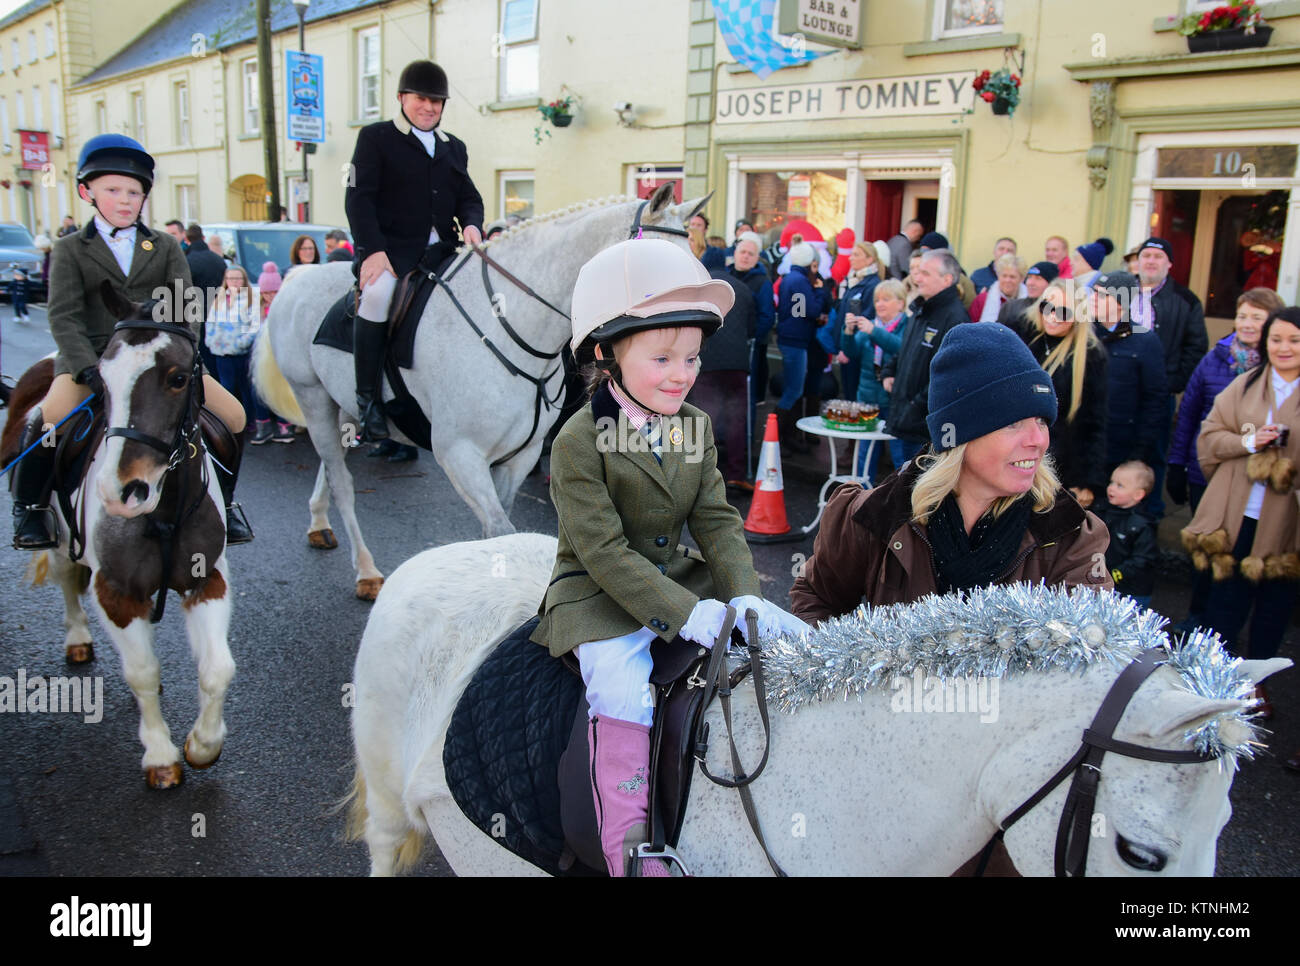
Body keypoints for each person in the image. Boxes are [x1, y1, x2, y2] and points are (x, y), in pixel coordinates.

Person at [530, 238, 806, 876]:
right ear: (606, 355)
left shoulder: (696, 426)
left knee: (772, 646)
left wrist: (741, 594)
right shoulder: (577, 441)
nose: (683, 374)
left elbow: (715, 517)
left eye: (692, 357)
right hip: (596, 592)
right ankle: (629, 845)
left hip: (676, 576)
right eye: (662, 358)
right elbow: (600, 550)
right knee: (622, 685)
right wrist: (686, 614)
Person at [11, 134, 251, 548]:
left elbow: (186, 309)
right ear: (87, 191)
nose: (125, 199)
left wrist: (179, 358)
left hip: (161, 361)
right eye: (113, 190)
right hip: (93, 360)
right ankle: (30, 510)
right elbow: (64, 315)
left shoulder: (164, 246)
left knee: (234, 417)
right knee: (46, 419)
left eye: (134, 192)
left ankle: (227, 505)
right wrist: (88, 367)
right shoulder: (70, 249)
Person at [791, 320, 1112, 619]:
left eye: (1041, 420)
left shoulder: (1069, 535)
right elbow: (816, 597)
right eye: (1013, 422)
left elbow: (1089, 654)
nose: (1038, 440)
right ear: (960, 437)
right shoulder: (876, 516)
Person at [344, 59, 484, 442]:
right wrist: (372, 250)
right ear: (402, 98)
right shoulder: (375, 138)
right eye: (422, 99)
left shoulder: (454, 148)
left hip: (444, 254)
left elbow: (469, 198)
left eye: (437, 101)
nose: (430, 107)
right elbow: (358, 198)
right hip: (391, 254)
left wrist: (472, 222)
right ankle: (368, 401)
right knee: (375, 297)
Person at [1181, 306, 1300, 718]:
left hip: (1287, 521)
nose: (1283, 348)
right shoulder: (1246, 385)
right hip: (1237, 514)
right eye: (1276, 339)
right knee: (1224, 602)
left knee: (1274, 607)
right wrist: (1251, 442)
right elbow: (1211, 435)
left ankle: (1258, 685)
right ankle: (1212, 682)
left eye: (1294, 340)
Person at [1167, 287, 1285, 631]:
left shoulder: (1278, 370)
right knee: (1205, 549)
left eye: (1257, 318)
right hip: (1205, 471)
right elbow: (1189, 414)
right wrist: (1177, 463)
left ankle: (1228, 628)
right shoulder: (1215, 358)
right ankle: (1197, 617)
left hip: (1250, 481)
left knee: (1239, 557)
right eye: (1243, 316)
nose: (1247, 324)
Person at [1008, 279, 1108, 509]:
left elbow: (1093, 422)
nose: (1053, 315)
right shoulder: (1020, 336)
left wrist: (1086, 480)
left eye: (1063, 311)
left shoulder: (1090, 355)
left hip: (1055, 463)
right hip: (1009, 451)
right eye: (1047, 307)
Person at [1130, 236, 1208, 518]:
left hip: (1159, 397)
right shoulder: (1119, 293)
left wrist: (1171, 384)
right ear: (1137, 261)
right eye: (1146, 255)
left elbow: (1196, 348)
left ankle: (1149, 517)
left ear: (1169, 264)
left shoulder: (1186, 301)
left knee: (1155, 455)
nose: (1151, 261)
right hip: (1121, 393)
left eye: (1158, 257)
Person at [880, 248, 968, 468]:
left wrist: (914, 406)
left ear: (947, 279)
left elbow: (948, 375)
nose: (917, 278)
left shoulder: (955, 318)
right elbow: (907, 350)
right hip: (903, 417)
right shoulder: (921, 309)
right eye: (917, 272)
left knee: (916, 486)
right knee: (902, 481)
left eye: (926, 274)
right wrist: (889, 371)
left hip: (923, 428)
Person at [1089, 271, 1167, 508]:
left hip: (1122, 449)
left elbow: (1155, 400)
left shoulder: (1144, 341)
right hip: (1086, 449)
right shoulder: (1084, 335)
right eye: (1093, 293)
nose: (1093, 299)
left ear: (1121, 303)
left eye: (1102, 296)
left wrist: (1138, 454)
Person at [841, 278, 908, 480]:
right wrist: (848, 331)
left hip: (894, 399)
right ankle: (862, 494)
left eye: (886, 299)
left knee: (900, 453)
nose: (879, 304)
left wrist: (874, 331)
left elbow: (901, 349)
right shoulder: (871, 325)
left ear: (901, 303)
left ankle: (904, 500)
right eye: (877, 299)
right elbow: (851, 352)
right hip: (868, 396)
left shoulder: (908, 326)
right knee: (865, 453)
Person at [697, 265, 756, 489]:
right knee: (736, 419)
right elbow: (753, 328)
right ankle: (735, 474)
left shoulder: (701, 286)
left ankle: (704, 475)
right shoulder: (742, 287)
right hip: (737, 363)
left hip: (708, 361)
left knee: (705, 418)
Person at [773, 242, 829, 452]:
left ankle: (785, 438)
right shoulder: (800, 281)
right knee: (793, 391)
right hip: (795, 341)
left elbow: (799, 310)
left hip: (790, 338)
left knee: (793, 389)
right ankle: (776, 439)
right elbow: (810, 310)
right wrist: (821, 292)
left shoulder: (790, 278)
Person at [822, 240, 885, 404]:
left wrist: (847, 348)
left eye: (856, 255)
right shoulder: (855, 281)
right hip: (846, 347)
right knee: (849, 395)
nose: (850, 258)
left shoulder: (872, 285)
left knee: (854, 399)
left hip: (856, 351)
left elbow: (864, 320)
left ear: (870, 259)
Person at [730, 232, 775, 450]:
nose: (746, 257)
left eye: (751, 254)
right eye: (742, 252)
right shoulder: (727, 275)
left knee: (746, 395)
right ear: (735, 253)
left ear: (757, 258)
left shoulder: (762, 282)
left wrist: (751, 335)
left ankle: (745, 442)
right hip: (724, 345)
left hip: (749, 347)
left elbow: (767, 317)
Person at [1099, 461, 1159, 609]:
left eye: (1120, 485)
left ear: (1138, 494)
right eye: (1111, 482)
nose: (1111, 488)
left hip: (1132, 592)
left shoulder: (1142, 524)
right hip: (1105, 583)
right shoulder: (1102, 510)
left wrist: (1117, 573)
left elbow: (1143, 559)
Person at [184, 222, 227, 372]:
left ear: (187, 240)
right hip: (219, 313)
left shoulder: (186, 261)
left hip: (196, 315)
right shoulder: (218, 260)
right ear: (203, 237)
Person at [967, 253, 1026, 323]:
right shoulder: (982, 300)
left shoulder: (1029, 304)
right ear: (998, 276)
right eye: (1004, 276)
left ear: (1022, 278)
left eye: (1012, 277)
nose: (1007, 280)